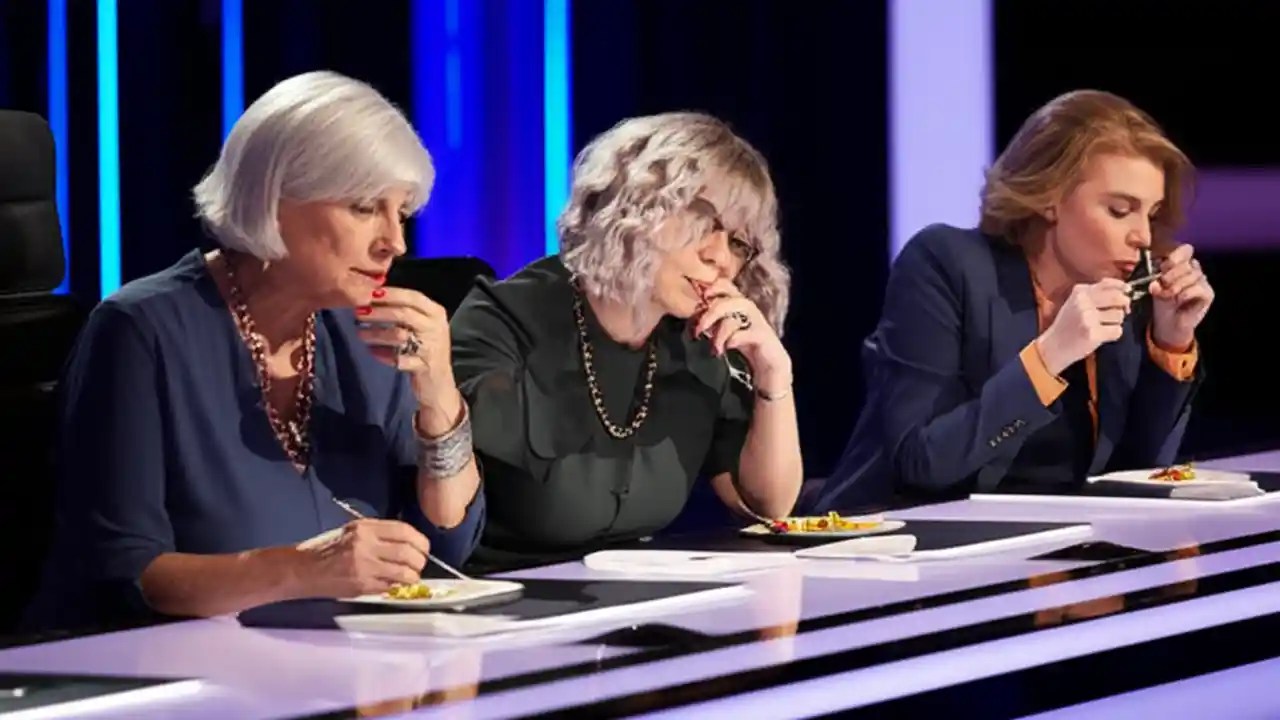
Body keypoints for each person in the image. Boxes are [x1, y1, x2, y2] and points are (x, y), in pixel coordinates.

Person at [26, 71, 484, 630]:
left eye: (401, 212)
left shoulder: (371, 335)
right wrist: (299, 569)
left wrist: (438, 395)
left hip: (349, 665)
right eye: (365, 208)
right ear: (274, 199)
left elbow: (446, 541)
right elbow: (122, 577)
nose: (396, 240)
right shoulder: (139, 332)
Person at [813, 90, 1213, 510]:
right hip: (900, 546)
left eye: (1150, 214)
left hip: (1049, 552)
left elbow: (1137, 474)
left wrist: (1170, 342)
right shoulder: (945, 264)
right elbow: (920, 462)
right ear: (1049, 197)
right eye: (1118, 210)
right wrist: (1050, 356)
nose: (1144, 238)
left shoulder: (1120, 286)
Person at [450, 112, 803, 569]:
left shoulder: (698, 342)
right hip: (500, 605)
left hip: (636, 607)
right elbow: (438, 513)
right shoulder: (504, 323)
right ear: (634, 204)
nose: (717, 255)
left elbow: (767, 507)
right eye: (704, 220)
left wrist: (774, 373)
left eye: (738, 243)